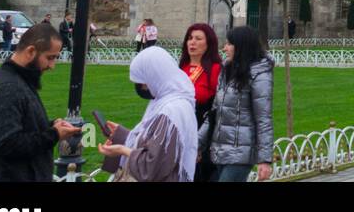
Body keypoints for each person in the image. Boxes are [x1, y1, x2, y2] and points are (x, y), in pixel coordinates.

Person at [0, 23, 79, 181]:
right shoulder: (9, 88)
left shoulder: (19, 82)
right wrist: (53, 134)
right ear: (31, 51)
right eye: (50, 57)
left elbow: (22, 128)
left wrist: (50, 126)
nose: (52, 66)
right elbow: (5, 144)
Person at [99, 46, 199, 182]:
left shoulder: (171, 111)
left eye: (142, 82)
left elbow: (153, 165)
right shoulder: (168, 101)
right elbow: (156, 144)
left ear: (154, 75)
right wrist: (122, 134)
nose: (142, 87)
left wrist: (123, 150)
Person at [197, 25, 275, 181]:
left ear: (241, 47)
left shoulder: (259, 75)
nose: (224, 48)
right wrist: (197, 144)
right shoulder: (226, 70)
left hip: (241, 154)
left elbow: (263, 119)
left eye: (228, 44)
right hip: (219, 151)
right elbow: (214, 112)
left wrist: (264, 160)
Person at [179, 23, 221, 180]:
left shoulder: (215, 69)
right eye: (190, 38)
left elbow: (218, 104)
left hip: (203, 127)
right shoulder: (181, 68)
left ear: (208, 43)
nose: (192, 42)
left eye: (198, 39)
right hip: (180, 126)